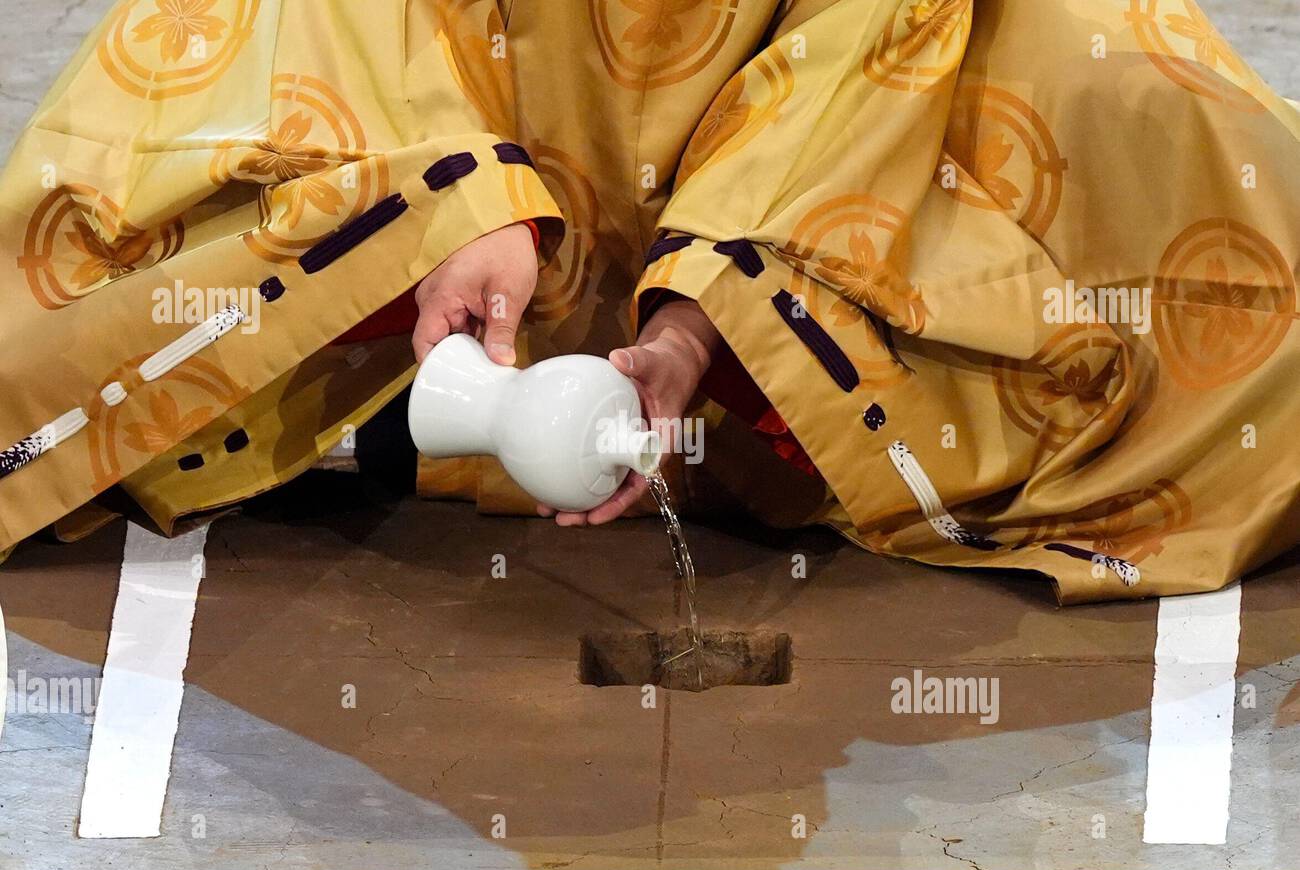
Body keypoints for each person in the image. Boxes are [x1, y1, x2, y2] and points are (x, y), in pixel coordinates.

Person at [0, 0, 1296, 603]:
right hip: (480, 213)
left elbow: (882, 36)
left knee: (1140, 99)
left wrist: (695, 323)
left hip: (792, 250)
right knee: (179, 97)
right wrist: (470, 200)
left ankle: (738, 387)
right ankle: (424, 369)